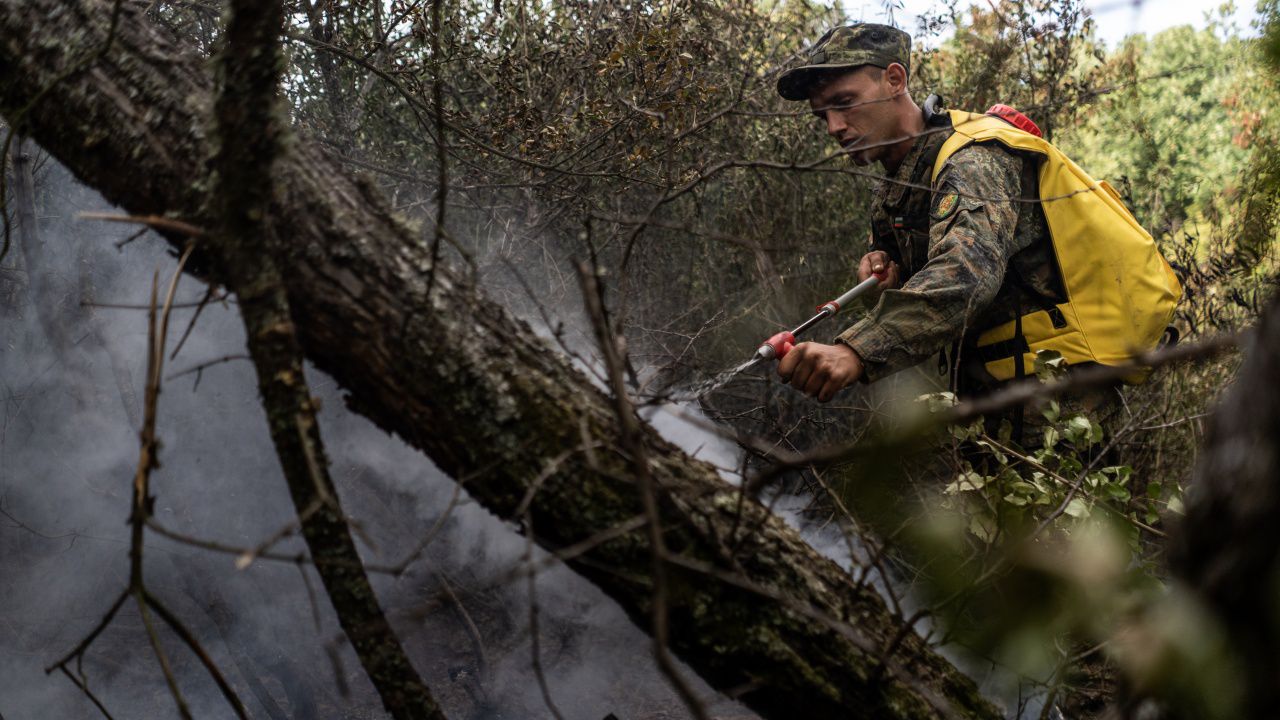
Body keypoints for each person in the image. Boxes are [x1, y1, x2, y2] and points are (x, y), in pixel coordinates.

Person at [771, 23, 1179, 427]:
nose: (834, 127)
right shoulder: (901, 179)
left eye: (844, 102)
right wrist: (892, 269)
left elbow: (967, 273)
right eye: (822, 114)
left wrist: (856, 351)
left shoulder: (972, 158)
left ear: (895, 79)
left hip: (1054, 398)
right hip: (994, 393)